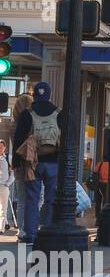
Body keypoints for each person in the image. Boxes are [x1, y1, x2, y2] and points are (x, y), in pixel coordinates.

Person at [12, 82, 66, 241]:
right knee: (50, 198)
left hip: (32, 162)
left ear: (34, 95)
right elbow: (65, 139)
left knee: (32, 198)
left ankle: (31, 234)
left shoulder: (27, 114)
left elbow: (18, 140)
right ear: (49, 95)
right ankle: (47, 230)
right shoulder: (59, 113)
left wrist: (16, 162)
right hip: (54, 163)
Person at [9, 93, 32, 239]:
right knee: (35, 198)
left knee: (22, 198)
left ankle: (22, 230)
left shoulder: (13, 124)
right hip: (31, 164)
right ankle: (30, 228)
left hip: (18, 165)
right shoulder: (32, 122)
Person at [0, 139, 15, 234]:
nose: (0, 149)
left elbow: (13, 172)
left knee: (3, 208)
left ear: (5, 148)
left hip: (3, 186)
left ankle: (1, 228)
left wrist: (8, 183)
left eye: (1, 147)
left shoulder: (8, 158)